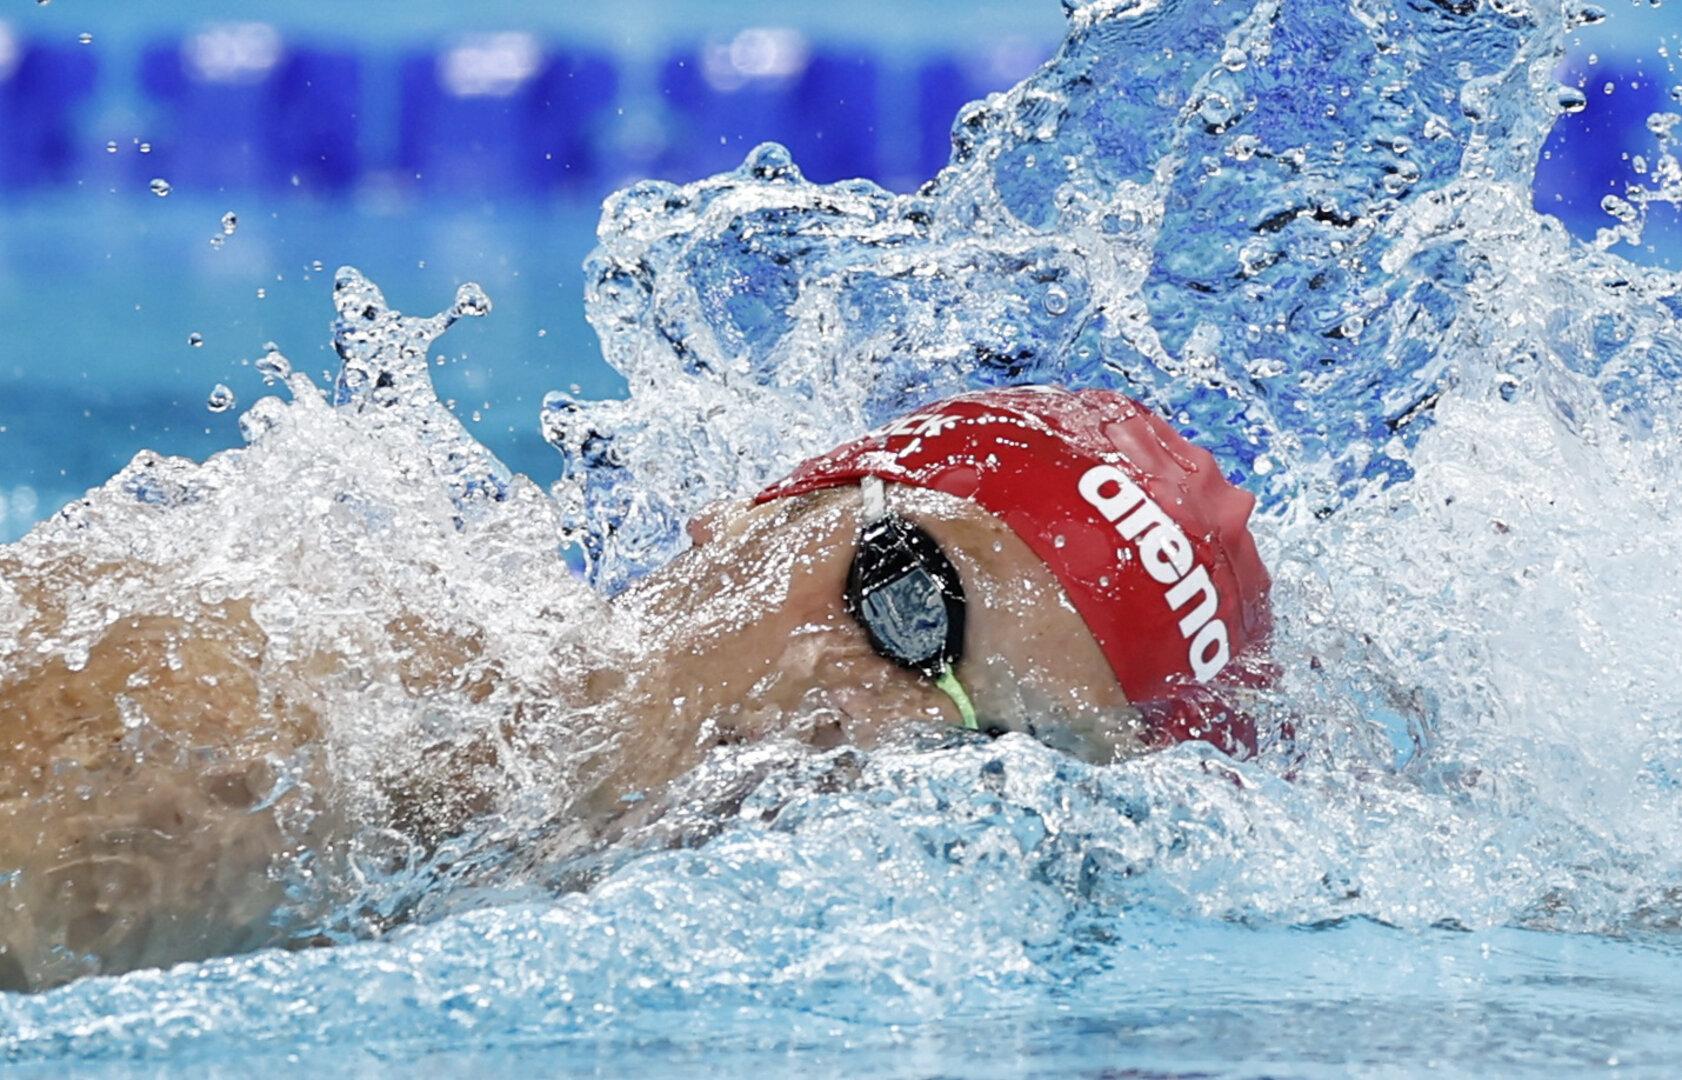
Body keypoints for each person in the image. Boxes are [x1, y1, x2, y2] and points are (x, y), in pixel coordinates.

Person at [0, 385, 1270, 989]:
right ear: (759, 511)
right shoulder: (264, 708)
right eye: (905, 598)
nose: (874, 719)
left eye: (986, 745)